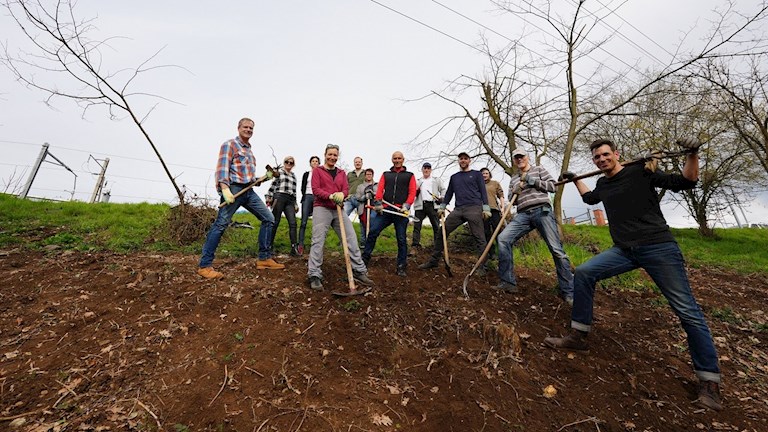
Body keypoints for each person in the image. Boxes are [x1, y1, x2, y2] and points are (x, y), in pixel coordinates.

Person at [544, 138, 722, 411]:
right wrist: (575, 179)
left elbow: (686, 181)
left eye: (605, 155)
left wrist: (692, 154)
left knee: (687, 312)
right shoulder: (603, 183)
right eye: (597, 158)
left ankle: (709, 382)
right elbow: (590, 199)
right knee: (584, 272)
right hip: (624, 250)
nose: (601, 160)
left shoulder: (641, 171)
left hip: (658, 247)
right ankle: (578, 336)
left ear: (616, 154)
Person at [197, 118, 284, 279]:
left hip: (248, 191)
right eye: (246, 127)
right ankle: (204, 265)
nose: (249, 130)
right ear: (238, 128)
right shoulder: (230, 145)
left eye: (251, 128)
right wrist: (224, 189)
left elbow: (250, 179)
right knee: (221, 224)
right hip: (234, 189)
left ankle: (264, 258)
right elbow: (222, 168)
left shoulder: (249, 151)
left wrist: (266, 177)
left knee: (269, 218)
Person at [495, 149, 574, 303]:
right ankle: (507, 282)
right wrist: (514, 193)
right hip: (523, 215)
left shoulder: (539, 169)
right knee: (503, 239)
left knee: (556, 250)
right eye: (516, 158)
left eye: (521, 156)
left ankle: (568, 291)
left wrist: (534, 181)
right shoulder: (514, 179)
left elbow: (553, 187)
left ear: (527, 157)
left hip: (542, 211)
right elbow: (512, 199)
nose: (519, 160)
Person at [308, 144, 374, 291]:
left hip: (338, 208)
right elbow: (315, 189)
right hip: (322, 208)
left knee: (351, 238)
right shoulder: (318, 171)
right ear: (325, 154)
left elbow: (345, 188)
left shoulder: (341, 173)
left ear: (338, 156)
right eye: (330, 154)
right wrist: (330, 195)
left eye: (335, 155)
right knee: (318, 241)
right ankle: (314, 274)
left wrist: (342, 195)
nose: (332, 157)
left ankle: (359, 270)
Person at [419, 152, 490, 274]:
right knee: (442, 231)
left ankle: (482, 266)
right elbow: (449, 194)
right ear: (458, 161)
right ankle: (434, 260)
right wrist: (442, 206)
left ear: (469, 160)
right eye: (461, 159)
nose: (463, 160)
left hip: (474, 208)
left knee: (479, 237)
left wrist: (486, 207)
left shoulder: (477, 174)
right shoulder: (454, 177)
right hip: (458, 209)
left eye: (465, 159)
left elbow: (483, 191)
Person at [362, 152, 417, 277]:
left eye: (399, 158)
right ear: (392, 160)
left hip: (400, 211)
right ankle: (364, 259)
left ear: (403, 160)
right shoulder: (386, 175)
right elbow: (380, 189)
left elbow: (412, 192)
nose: (397, 160)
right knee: (373, 231)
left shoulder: (409, 176)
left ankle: (401, 265)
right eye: (395, 158)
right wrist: (378, 203)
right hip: (386, 210)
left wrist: (406, 205)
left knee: (401, 239)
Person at [266, 156, 299, 256]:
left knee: (293, 223)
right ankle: (269, 247)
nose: (289, 164)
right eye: (287, 162)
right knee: (275, 222)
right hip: (279, 196)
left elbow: (294, 191)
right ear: (284, 162)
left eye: (291, 162)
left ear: (293, 165)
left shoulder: (293, 176)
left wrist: (296, 203)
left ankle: (294, 248)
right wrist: (269, 197)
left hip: (290, 200)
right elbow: (272, 185)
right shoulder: (278, 172)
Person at [411, 162, 445, 250]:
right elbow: (412, 192)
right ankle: (415, 245)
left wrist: (442, 198)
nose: (426, 170)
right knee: (417, 226)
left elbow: (443, 190)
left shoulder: (436, 180)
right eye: (425, 168)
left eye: (428, 168)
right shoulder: (418, 181)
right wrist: (415, 192)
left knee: (436, 226)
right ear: (422, 170)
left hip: (432, 205)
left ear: (431, 170)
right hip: (420, 205)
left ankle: (437, 246)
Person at [297, 155, 320, 255]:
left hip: (317, 198)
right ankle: (300, 245)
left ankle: (315, 245)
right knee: (303, 222)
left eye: (316, 161)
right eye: (313, 161)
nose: (315, 163)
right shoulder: (307, 174)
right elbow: (302, 186)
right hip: (307, 197)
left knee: (317, 223)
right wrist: (306, 196)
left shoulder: (321, 174)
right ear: (310, 163)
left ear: (319, 164)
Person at [480, 167, 504, 259]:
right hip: (483, 211)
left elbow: (501, 195)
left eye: (486, 173)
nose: (484, 175)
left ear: (489, 174)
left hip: (494, 210)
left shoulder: (495, 183)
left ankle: (502, 252)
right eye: (482, 174)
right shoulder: (478, 185)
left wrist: (502, 208)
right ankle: (491, 253)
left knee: (498, 231)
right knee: (486, 232)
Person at [354, 168, 378, 245]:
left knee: (372, 222)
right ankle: (363, 243)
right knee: (363, 227)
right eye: (367, 174)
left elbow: (380, 195)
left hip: (374, 208)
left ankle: (370, 243)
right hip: (363, 209)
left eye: (370, 174)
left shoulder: (377, 185)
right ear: (365, 176)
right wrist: (364, 196)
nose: (369, 176)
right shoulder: (360, 186)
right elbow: (357, 197)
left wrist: (373, 194)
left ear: (372, 175)